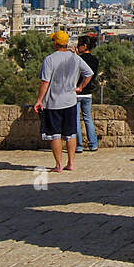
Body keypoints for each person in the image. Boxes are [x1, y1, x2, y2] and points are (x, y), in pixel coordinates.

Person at [35, 31, 94, 173]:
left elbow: (45, 82)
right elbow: (89, 73)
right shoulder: (75, 58)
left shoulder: (49, 59)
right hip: (70, 100)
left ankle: (58, 165)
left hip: (53, 102)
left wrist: (39, 100)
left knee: (55, 135)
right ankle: (71, 163)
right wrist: (79, 87)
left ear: (55, 43)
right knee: (70, 133)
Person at [75, 34, 100, 152]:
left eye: (79, 45)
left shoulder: (78, 59)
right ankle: (93, 143)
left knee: (75, 119)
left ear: (84, 46)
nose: (77, 47)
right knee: (88, 118)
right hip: (88, 92)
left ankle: (79, 145)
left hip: (76, 91)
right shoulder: (95, 60)